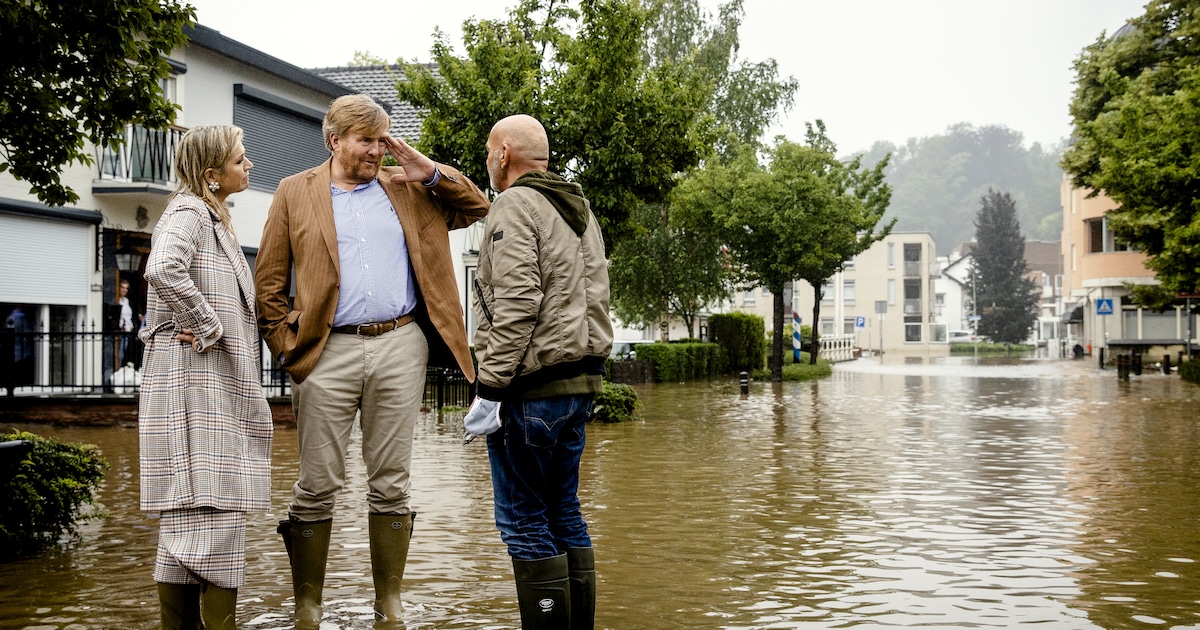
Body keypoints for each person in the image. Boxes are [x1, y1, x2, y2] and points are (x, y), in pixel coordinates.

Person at [254, 94, 489, 626]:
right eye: (366, 141)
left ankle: (389, 603)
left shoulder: (407, 187)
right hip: (325, 350)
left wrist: (431, 172)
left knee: (391, 481)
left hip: (400, 344)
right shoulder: (294, 192)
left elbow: (479, 206)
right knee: (317, 483)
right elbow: (268, 281)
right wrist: (287, 345)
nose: (377, 151)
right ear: (334, 140)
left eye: (382, 140)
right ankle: (308, 607)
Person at [464, 114, 613, 629]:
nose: (488, 160)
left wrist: (490, 389)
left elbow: (518, 303)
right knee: (563, 510)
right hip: (580, 384)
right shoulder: (579, 208)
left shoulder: (514, 204)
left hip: (530, 390)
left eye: (489, 150)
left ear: (504, 154)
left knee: (524, 519)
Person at [138, 125, 272, 630]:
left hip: (205, 385)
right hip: (194, 386)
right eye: (240, 160)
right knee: (215, 512)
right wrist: (207, 324)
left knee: (192, 517)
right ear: (212, 174)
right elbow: (163, 268)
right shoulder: (191, 212)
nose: (249, 165)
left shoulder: (210, 216)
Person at [116, 278, 143, 366]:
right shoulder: (117, 300)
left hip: (128, 331)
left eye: (126, 288)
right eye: (122, 287)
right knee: (118, 353)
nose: (124, 290)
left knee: (123, 352)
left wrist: (131, 326)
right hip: (120, 331)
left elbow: (129, 316)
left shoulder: (126, 301)